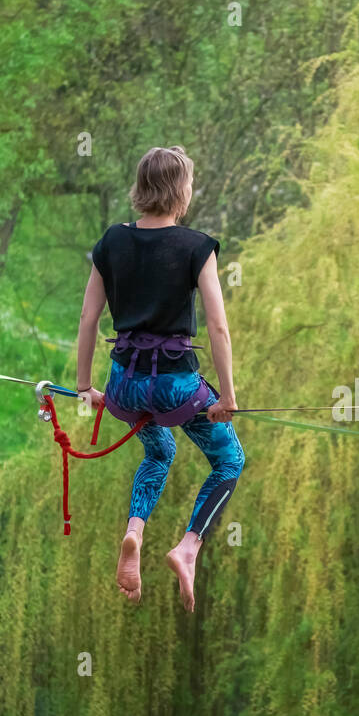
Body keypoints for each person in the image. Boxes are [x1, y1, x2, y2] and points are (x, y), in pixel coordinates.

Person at [74, 146, 243, 611]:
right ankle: (188, 547)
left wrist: (86, 385)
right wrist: (226, 395)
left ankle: (134, 531)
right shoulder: (196, 246)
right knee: (229, 460)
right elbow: (218, 326)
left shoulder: (111, 241)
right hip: (175, 389)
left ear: (142, 188)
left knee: (160, 448)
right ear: (180, 191)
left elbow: (89, 318)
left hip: (124, 386)